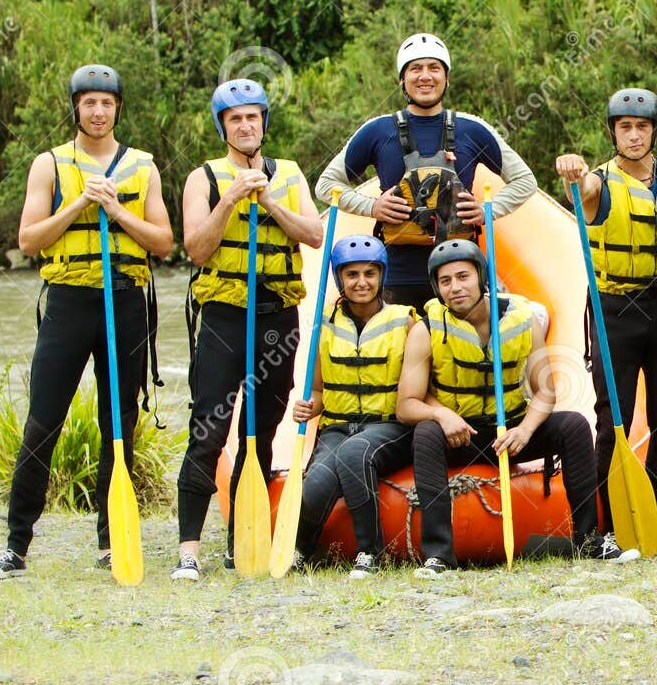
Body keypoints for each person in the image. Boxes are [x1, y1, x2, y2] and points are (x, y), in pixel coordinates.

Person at [0, 66, 175, 579]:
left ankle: (112, 543)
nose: (98, 112)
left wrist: (116, 210)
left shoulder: (143, 167)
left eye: (106, 103)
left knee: (119, 425)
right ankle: (15, 545)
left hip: (127, 303)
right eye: (88, 103)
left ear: (117, 109)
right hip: (69, 302)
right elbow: (29, 240)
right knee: (42, 422)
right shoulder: (49, 165)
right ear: (76, 107)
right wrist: (78, 205)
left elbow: (163, 243)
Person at [173, 80, 323, 581]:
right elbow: (196, 248)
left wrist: (272, 204)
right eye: (235, 119)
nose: (245, 125)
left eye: (253, 117)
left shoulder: (291, 174)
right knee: (208, 433)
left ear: (264, 123)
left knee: (259, 435)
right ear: (223, 127)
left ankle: (241, 543)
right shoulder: (204, 178)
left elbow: (315, 234)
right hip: (223, 319)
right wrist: (233, 198)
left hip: (277, 320)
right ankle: (189, 550)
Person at [555, 88, 657, 552]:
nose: (634, 135)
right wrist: (573, 169)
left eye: (642, 127)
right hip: (616, 312)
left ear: (654, 131)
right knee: (613, 422)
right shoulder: (597, 182)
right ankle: (603, 531)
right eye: (625, 127)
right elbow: (580, 190)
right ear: (613, 133)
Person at [396, 239, 611, 572]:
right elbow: (406, 405)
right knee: (426, 432)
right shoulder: (425, 330)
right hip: (461, 438)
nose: (455, 287)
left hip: (509, 433)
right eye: (445, 281)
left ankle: (589, 540)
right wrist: (442, 415)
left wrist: (524, 430)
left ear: (481, 278)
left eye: (463, 277)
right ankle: (439, 553)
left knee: (573, 425)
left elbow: (545, 391)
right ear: (437, 288)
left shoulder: (522, 319)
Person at [316, 33, 538, 308]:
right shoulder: (377, 131)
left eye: (434, 68)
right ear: (402, 79)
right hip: (397, 275)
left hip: (459, 274)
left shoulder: (473, 129)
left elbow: (524, 180)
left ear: (446, 78)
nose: (425, 76)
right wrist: (372, 207)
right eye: (415, 68)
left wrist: (486, 212)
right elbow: (326, 184)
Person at [289, 235, 418, 578]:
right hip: (337, 426)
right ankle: (301, 548)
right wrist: (307, 407)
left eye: (369, 274)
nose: (362, 282)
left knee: (355, 453)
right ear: (339, 280)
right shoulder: (324, 325)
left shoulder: (405, 322)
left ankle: (369, 552)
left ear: (381, 276)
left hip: (390, 426)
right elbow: (317, 390)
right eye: (352, 275)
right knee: (314, 487)